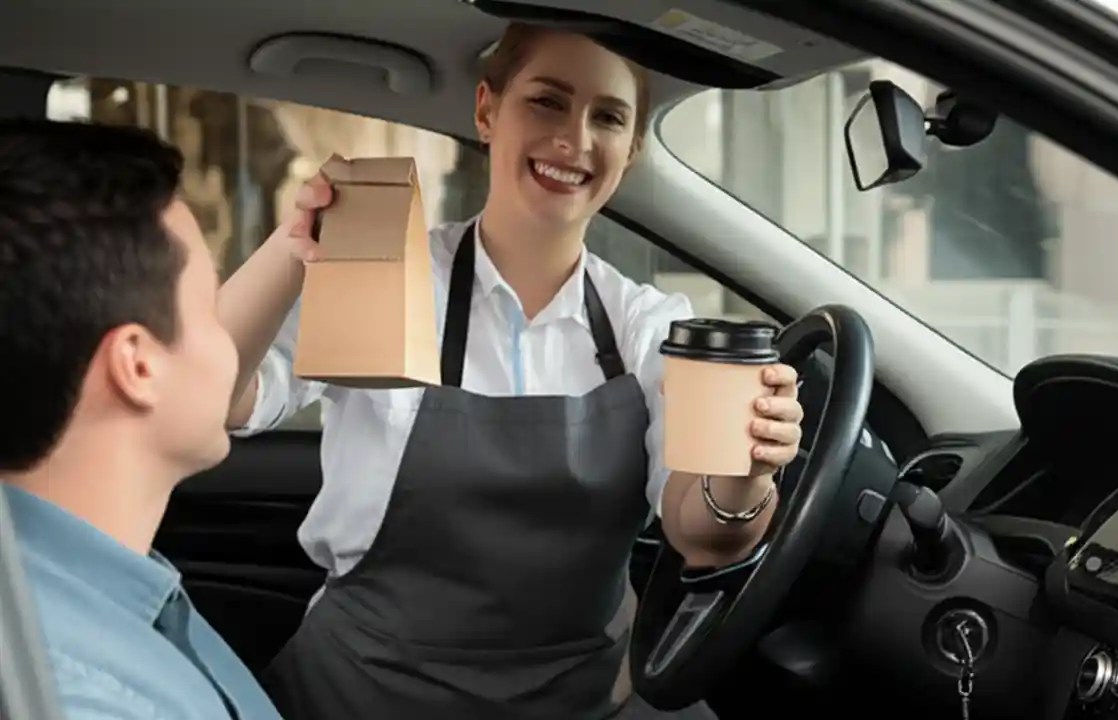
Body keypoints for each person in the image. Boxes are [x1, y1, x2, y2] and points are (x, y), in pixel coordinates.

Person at [220, 22, 804, 720]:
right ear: (487, 111)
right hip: (366, 694)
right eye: (547, 101)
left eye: (608, 117)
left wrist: (749, 471)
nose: (575, 139)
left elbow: (701, 534)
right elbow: (218, 395)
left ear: (632, 149)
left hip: (586, 703)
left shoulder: (649, 326)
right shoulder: (384, 274)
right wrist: (290, 251)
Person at [0, 119, 282, 720]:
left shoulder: (99, 590)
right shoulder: (78, 699)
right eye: (210, 305)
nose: (229, 344)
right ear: (138, 364)